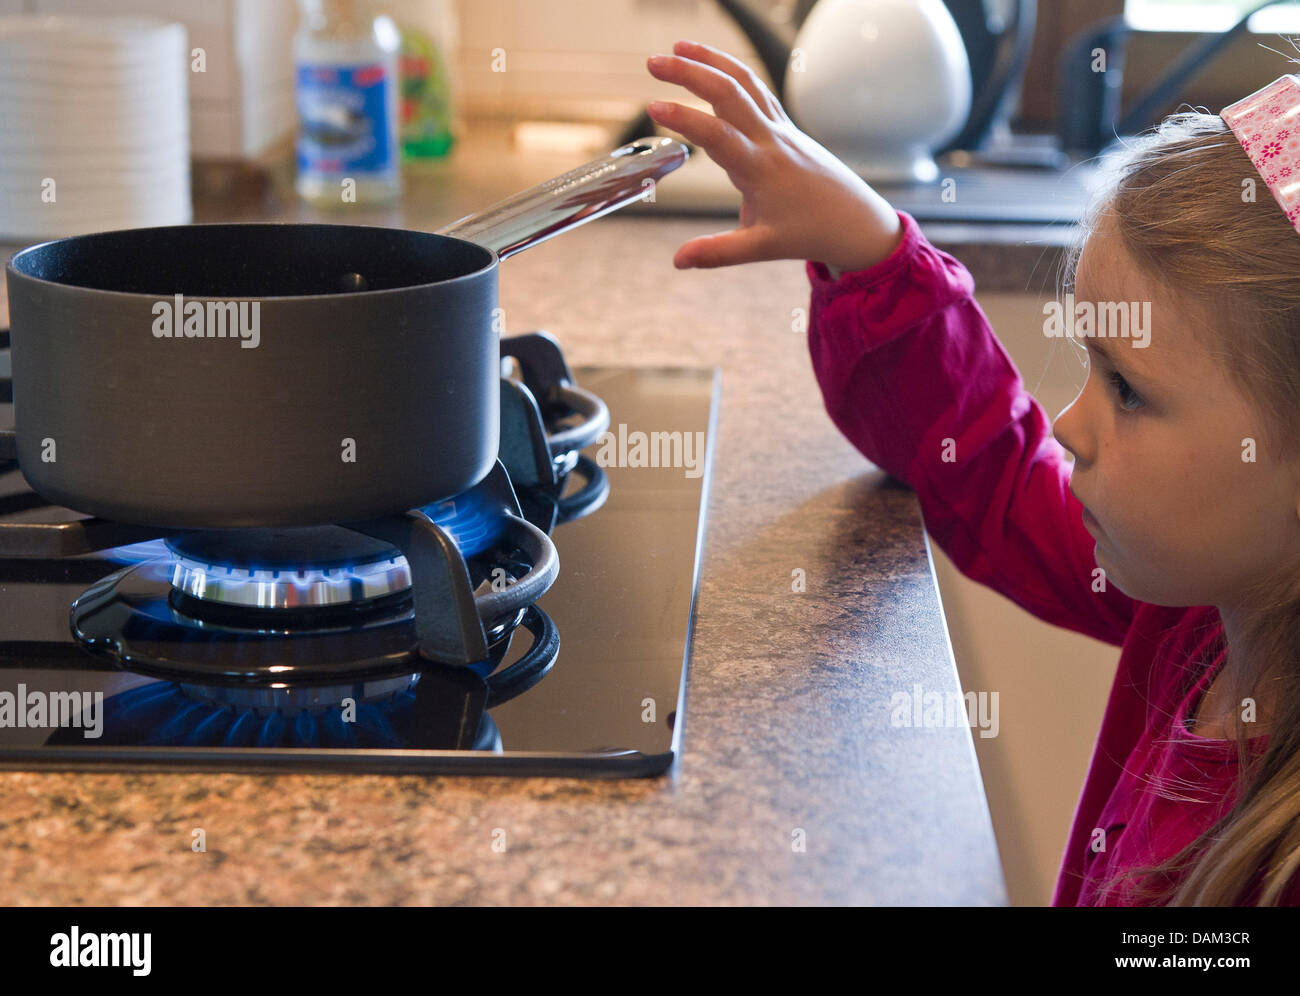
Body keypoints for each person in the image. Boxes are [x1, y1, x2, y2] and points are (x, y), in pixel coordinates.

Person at [646, 40, 1300, 906]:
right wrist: (873, 251)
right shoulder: (1197, 614)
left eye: (1128, 391)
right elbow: (994, 472)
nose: (1069, 425)